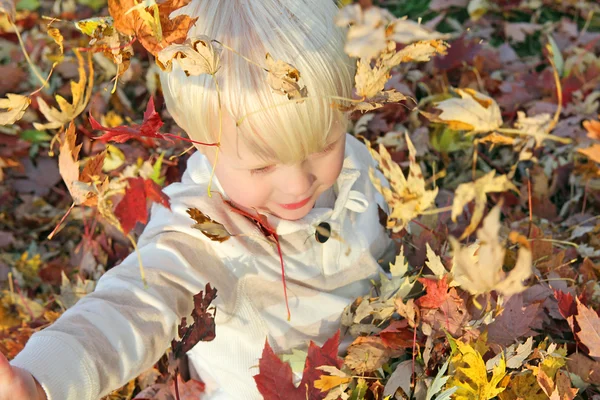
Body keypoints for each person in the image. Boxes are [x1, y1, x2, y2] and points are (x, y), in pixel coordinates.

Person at [0, 0, 396, 398]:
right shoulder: (199, 232)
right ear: (198, 143)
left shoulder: (355, 163)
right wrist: (43, 378)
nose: (298, 185)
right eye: (261, 168)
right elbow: (136, 305)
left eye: (324, 146)